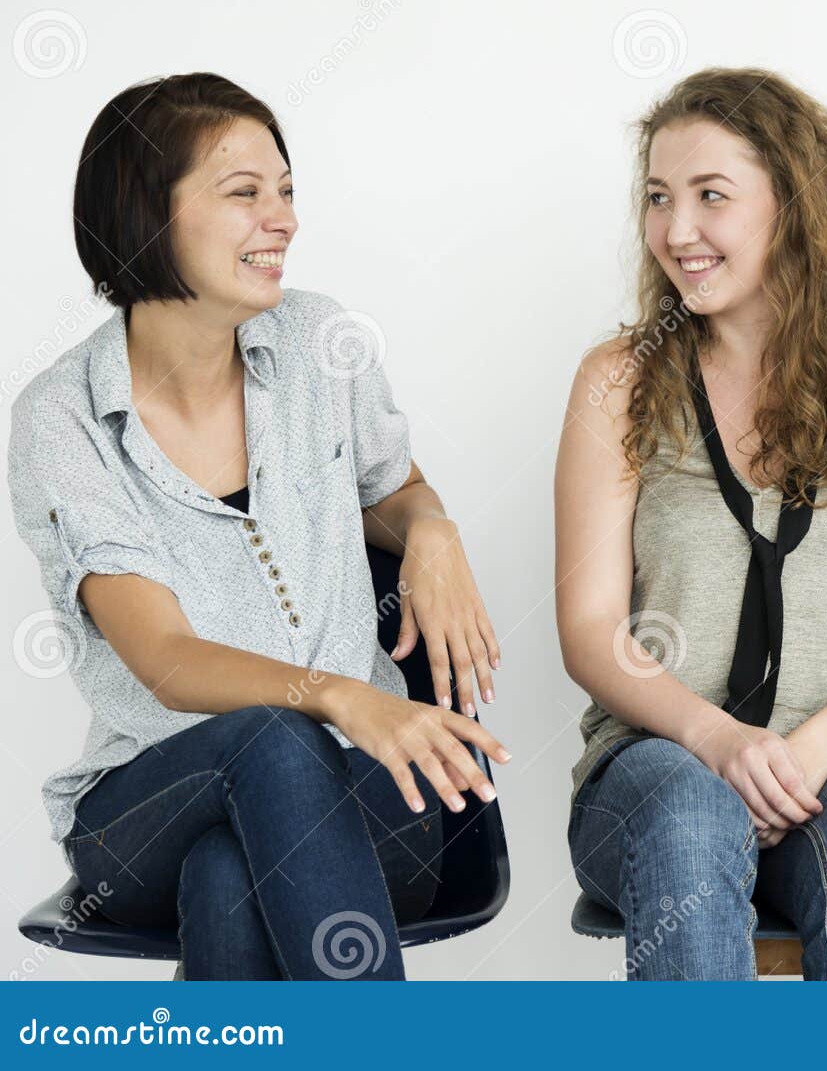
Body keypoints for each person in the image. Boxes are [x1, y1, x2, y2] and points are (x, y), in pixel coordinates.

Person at [8, 73, 510, 980]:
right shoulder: (62, 418)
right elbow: (163, 659)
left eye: (286, 191)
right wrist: (341, 696)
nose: (283, 220)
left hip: (371, 797)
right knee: (274, 741)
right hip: (144, 812)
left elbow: (394, 490)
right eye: (245, 194)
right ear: (145, 214)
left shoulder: (320, 341)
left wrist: (431, 529)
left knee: (229, 875)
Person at [555, 67, 827, 979]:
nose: (676, 231)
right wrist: (719, 743)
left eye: (712, 196)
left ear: (795, 205)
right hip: (656, 762)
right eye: (658, 198)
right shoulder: (617, 381)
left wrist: (801, 757)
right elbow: (590, 629)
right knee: (690, 818)